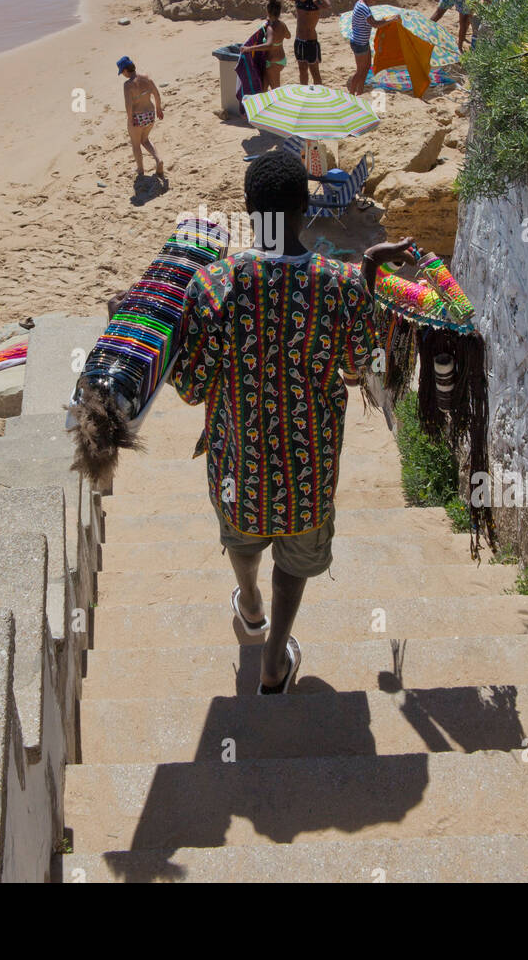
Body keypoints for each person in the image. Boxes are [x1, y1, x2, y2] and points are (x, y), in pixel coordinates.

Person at [171, 147, 417, 693]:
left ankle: (250, 606)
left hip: (239, 467)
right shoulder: (339, 283)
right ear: (305, 213)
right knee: (296, 556)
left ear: (251, 213)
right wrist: (368, 275)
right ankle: (275, 656)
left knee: (243, 538)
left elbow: (189, 387)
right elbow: (360, 366)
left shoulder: (213, 286)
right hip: (308, 473)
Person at [118, 56, 165, 177]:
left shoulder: (128, 85)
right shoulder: (146, 78)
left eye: (122, 72)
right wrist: (158, 108)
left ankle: (140, 169)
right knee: (145, 139)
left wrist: (130, 119)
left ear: (125, 70)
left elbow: (128, 105)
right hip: (150, 114)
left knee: (136, 144)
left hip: (137, 117)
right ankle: (158, 159)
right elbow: (156, 94)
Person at [282, 0, 328, 85]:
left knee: (314, 71)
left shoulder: (314, 2)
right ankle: (304, 92)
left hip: (311, 41)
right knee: (302, 70)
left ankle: (319, 97)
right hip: (299, 41)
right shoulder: (297, 1)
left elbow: (327, 5)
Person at [348, 0, 383, 95]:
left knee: (366, 67)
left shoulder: (361, 3)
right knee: (360, 71)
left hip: (362, 41)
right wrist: (391, 20)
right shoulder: (364, 9)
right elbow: (375, 24)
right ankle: (352, 93)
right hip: (359, 44)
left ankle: (360, 92)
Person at [261, 0, 290, 88]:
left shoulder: (269, 27)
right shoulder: (282, 24)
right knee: (264, 88)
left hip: (273, 62)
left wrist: (248, 49)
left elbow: (268, 45)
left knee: (275, 90)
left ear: (268, 11)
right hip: (279, 59)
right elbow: (288, 36)